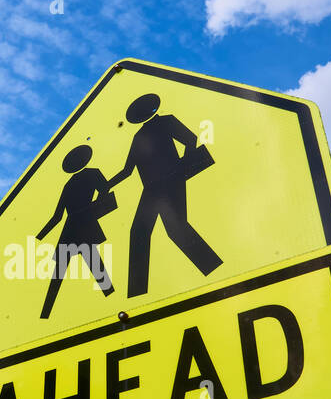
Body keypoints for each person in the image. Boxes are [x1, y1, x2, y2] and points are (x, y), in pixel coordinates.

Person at [106, 93, 222, 296]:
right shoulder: (138, 136)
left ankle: (214, 269)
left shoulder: (167, 121)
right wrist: (107, 185)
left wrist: (181, 169)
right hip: (150, 189)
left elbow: (191, 139)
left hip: (171, 180)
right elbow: (128, 170)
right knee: (139, 232)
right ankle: (137, 293)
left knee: (176, 229)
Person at [36, 144, 117, 319]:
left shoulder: (72, 183)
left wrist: (40, 236)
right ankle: (45, 314)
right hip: (80, 224)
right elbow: (104, 189)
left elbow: (57, 217)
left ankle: (45, 313)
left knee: (81, 267)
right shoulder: (89, 175)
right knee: (92, 264)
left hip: (73, 226)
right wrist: (38, 237)